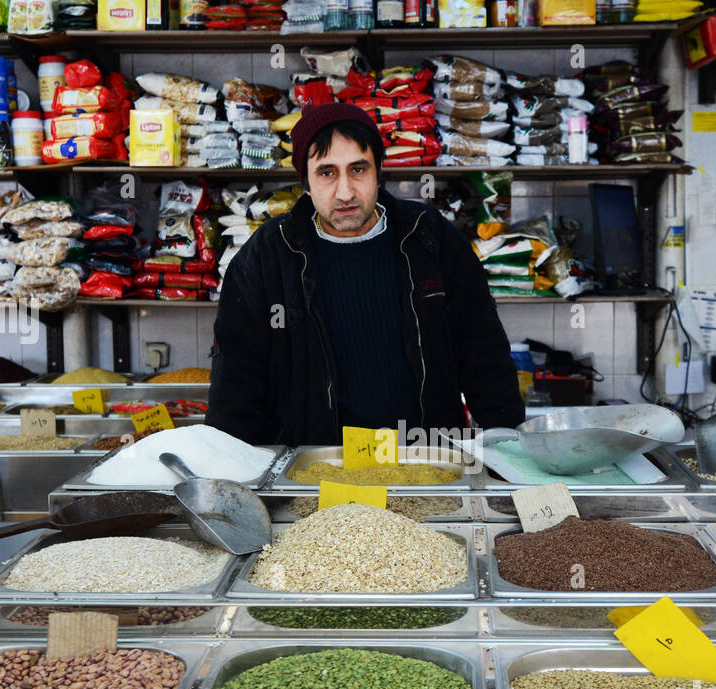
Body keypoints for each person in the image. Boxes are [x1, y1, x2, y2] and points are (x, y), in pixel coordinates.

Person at [205, 102, 525, 446]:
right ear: (306, 182)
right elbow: (236, 381)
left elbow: (483, 352)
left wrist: (506, 448)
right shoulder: (267, 255)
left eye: (358, 169)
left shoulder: (430, 237)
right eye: (327, 173)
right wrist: (230, 476)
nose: (345, 192)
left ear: (378, 172)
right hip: (312, 469)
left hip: (426, 463)